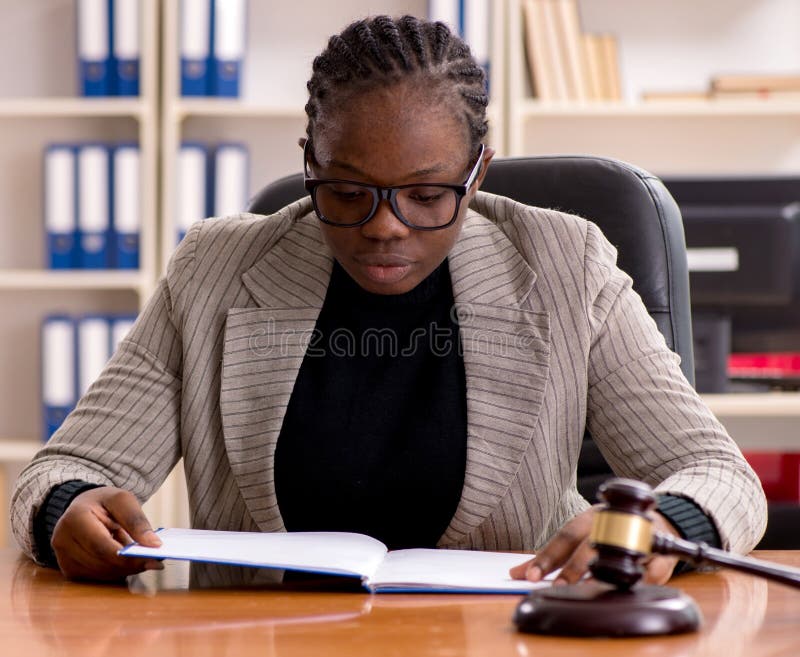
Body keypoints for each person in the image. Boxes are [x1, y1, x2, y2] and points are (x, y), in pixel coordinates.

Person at [11, 15, 766, 583]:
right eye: (347, 191)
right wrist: (63, 509)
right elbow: (62, 468)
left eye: (427, 195)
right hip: (259, 638)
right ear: (310, 164)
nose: (383, 226)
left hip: (507, 638)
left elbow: (718, 473)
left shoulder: (567, 264)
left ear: (477, 174)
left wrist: (663, 523)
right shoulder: (214, 269)